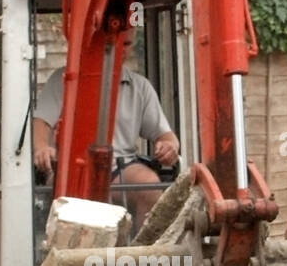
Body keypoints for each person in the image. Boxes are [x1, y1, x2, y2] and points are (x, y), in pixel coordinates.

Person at [32, 63, 180, 229]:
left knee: (150, 185)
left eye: (126, 44)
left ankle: (143, 250)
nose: (118, 46)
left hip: (120, 167)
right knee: (65, 190)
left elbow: (165, 134)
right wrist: (42, 147)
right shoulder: (63, 80)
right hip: (69, 164)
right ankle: (64, 251)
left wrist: (169, 146)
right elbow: (41, 123)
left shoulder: (139, 86)